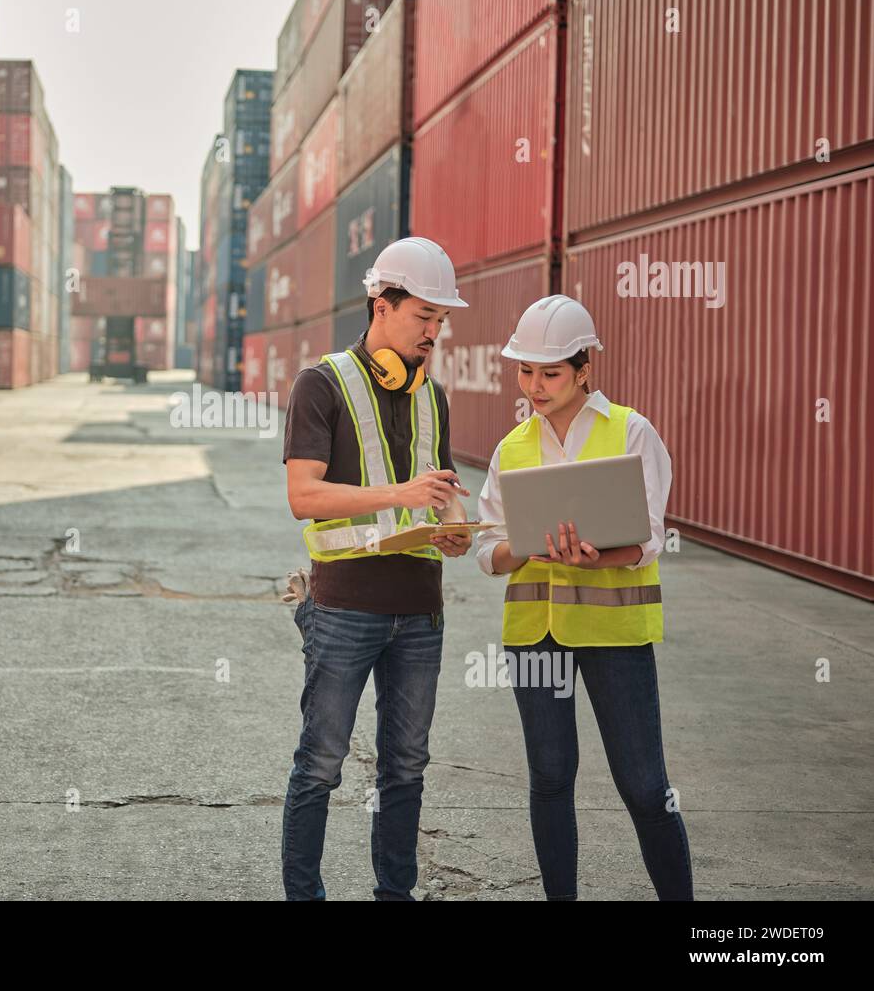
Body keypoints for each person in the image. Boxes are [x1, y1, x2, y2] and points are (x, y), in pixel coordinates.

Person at [474, 294, 693, 900]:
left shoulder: (631, 431)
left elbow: (648, 538)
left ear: (584, 368)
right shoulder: (512, 446)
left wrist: (598, 555)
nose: (535, 386)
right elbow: (487, 552)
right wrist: (522, 547)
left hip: (614, 636)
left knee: (646, 786)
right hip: (535, 635)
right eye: (526, 371)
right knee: (549, 777)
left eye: (550, 373)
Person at [281, 236, 473, 901]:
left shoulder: (433, 396)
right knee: (321, 765)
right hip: (343, 609)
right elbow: (303, 495)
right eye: (424, 316)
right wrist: (402, 494)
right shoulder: (321, 383)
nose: (433, 332)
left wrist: (452, 534)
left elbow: (432, 499)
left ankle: (396, 895)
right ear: (381, 303)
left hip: (421, 610)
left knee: (407, 767)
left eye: (441, 321)